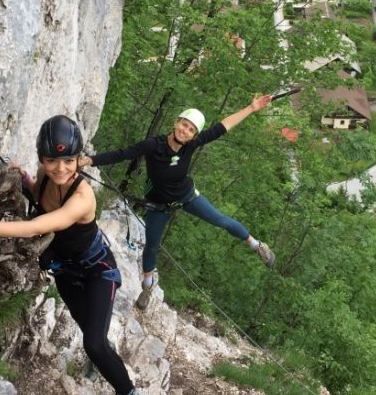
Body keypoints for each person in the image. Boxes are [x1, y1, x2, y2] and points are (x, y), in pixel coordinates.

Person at [0, 115, 150, 395]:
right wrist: (23, 176)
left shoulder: (82, 196)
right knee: (90, 332)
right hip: (66, 272)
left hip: (98, 269)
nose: (61, 168)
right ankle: (103, 357)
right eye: (52, 160)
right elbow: (36, 192)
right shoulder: (43, 176)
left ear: (78, 158)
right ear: (42, 159)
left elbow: (39, 226)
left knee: (93, 343)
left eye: (69, 160)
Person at [80, 95, 275, 310]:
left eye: (191, 130)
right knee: (152, 246)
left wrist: (251, 108)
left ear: (194, 135)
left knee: (222, 221)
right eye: (184, 125)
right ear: (176, 122)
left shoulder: (191, 146)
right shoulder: (154, 145)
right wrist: (90, 160)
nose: (186, 131)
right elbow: (122, 154)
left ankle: (257, 245)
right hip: (159, 204)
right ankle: (147, 287)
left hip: (187, 195)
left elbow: (222, 127)